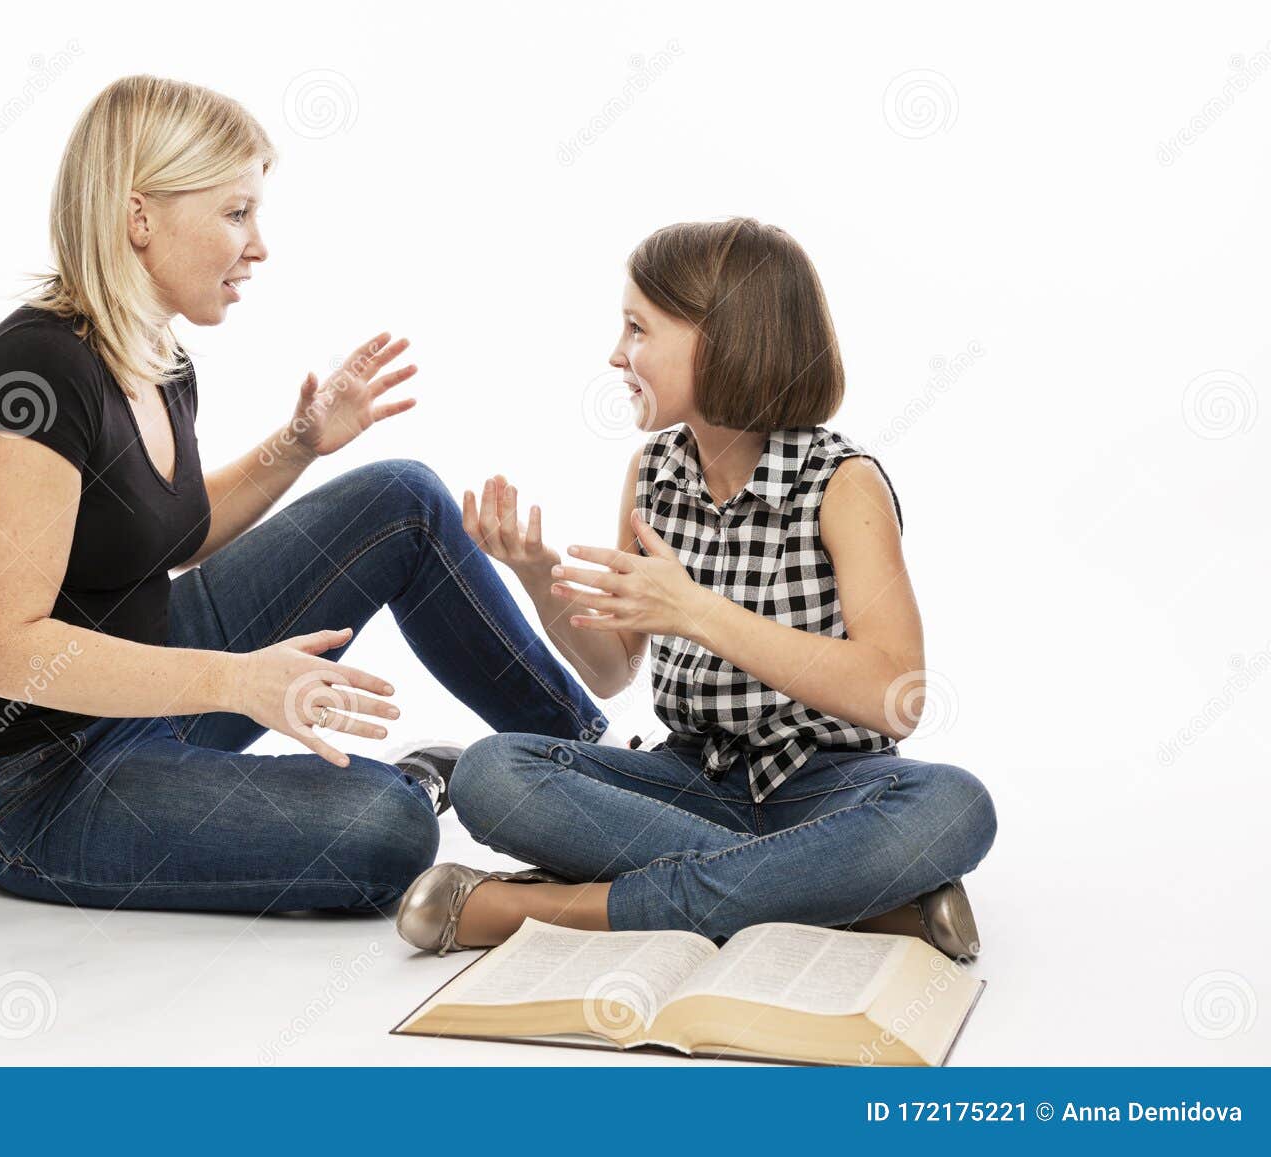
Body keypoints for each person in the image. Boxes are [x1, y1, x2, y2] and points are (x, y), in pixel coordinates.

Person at [0, 74, 608, 917]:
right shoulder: (34, 379)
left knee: (404, 498)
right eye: (235, 213)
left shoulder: (156, 359)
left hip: (154, 681)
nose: (260, 247)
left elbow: (171, 531)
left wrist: (302, 441)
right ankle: (421, 787)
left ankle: (603, 775)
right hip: (39, 782)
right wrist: (237, 682)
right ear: (140, 218)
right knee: (388, 828)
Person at [396, 218, 998, 959]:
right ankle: (844, 902)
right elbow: (613, 668)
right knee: (491, 772)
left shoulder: (843, 483)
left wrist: (699, 611)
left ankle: (554, 909)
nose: (617, 355)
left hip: (828, 788)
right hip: (692, 779)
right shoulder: (652, 473)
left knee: (954, 807)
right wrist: (533, 571)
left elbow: (895, 698)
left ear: (720, 339)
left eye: (638, 329)